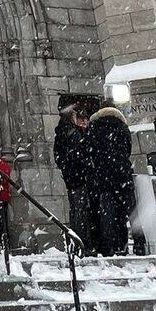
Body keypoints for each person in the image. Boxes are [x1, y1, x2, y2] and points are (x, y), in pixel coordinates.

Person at [88, 101, 134, 255]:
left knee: (106, 211)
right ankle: (122, 244)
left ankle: (108, 245)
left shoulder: (94, 127)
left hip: (103, 175)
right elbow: (128, 149)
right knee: (122, 212)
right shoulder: (122, 126)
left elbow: (90, 150)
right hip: (121, 174)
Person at [59, 102, 98, 255]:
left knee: (76, 211)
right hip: (78, 179)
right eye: (76, 116)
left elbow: (61, 157)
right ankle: (83, 245)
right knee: (80, 212)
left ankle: (77, 243)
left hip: (73, 178)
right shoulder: (72, 134)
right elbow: (81, 155)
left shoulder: (63, 132)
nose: (80, 120)